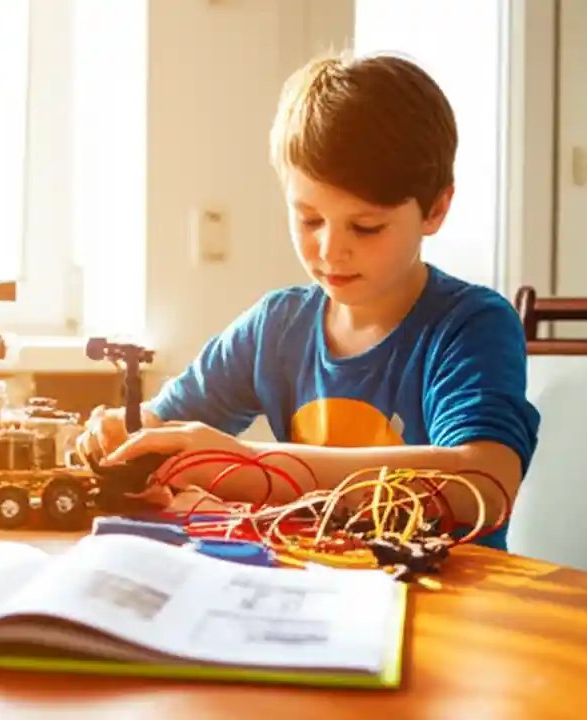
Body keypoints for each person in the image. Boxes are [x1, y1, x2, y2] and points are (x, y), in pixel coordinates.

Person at [79, 52, 541, 550]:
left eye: (366, 227)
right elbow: (165, 431)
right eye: (309, 219)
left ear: (436, 209)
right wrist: (130, 444)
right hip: (308, 593)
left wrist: (248, 468)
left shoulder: (469, 326)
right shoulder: (277, 326)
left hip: (445, 604)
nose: (330, 250)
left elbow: (485, 485)